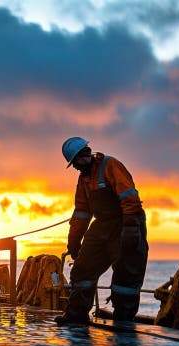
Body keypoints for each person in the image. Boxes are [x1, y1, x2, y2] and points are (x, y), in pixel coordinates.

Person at [56, 137, 148, 325]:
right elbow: (81, 213)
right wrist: (74, 241)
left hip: (126, 222)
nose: (75, 167)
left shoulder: (110, 166)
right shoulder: (84, 180)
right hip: (102, 225)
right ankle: (76, 315)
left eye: (76, 162)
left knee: (126, 272)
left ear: (85, 154)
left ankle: (123, 319)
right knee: (82, 269)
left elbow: (129, 196)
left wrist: (131, 229)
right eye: (73, 164)